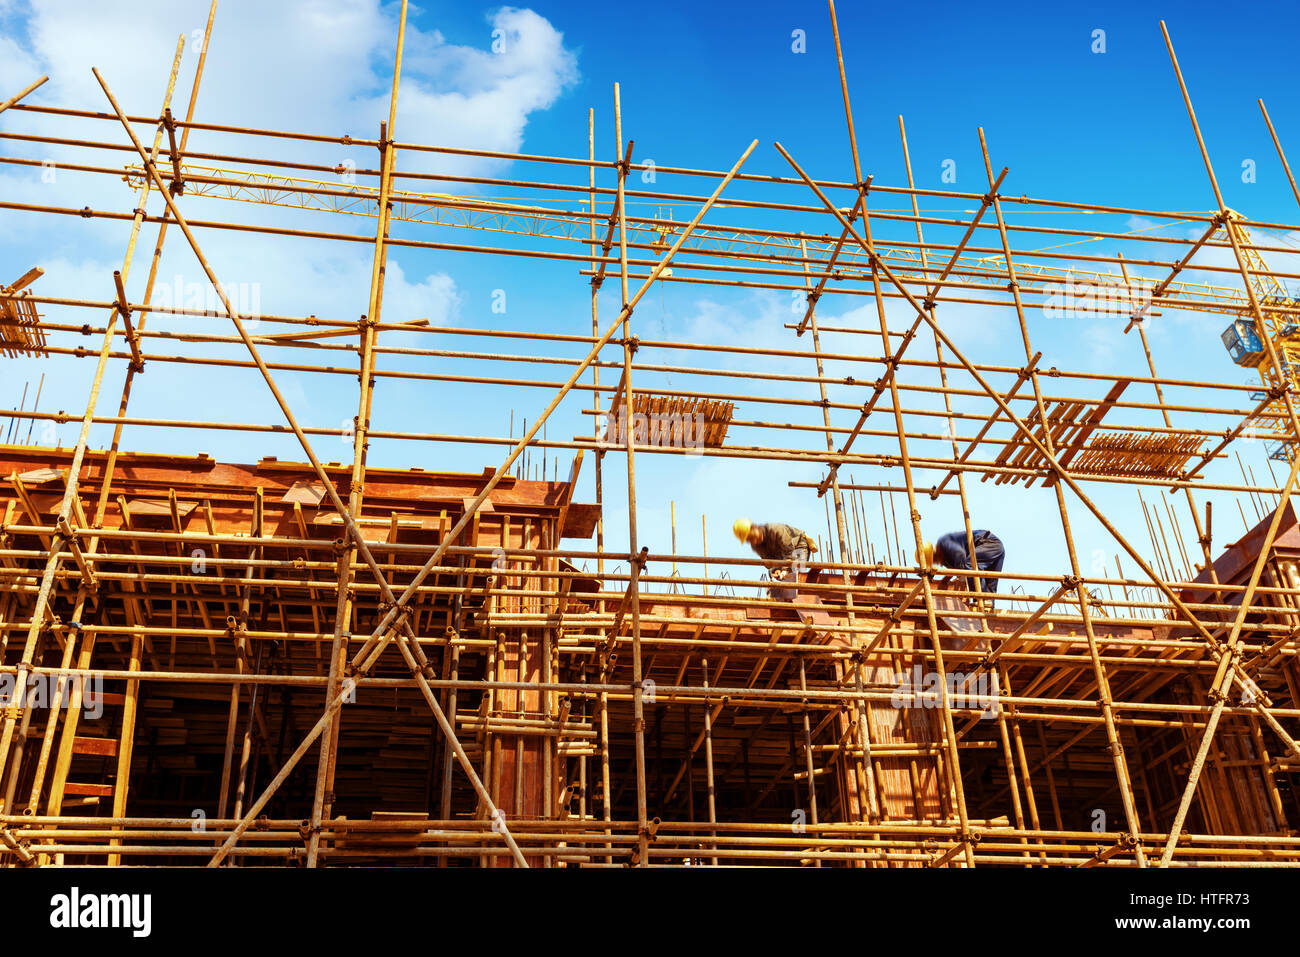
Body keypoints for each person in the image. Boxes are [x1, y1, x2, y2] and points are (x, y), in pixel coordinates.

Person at [733, 518, 818, 599]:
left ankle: (802, 596)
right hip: (783, 557)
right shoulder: (756, 546)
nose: (753, 541)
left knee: (796, 574)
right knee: (785, 577)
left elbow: (789, 550)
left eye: (752, 537)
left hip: (797, 547)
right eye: (749, 540)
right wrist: (775, 570)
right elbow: (769, 562)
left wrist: (785, 570)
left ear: (755, 527)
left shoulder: (776, 530)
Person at [928, 529, 1005, 594]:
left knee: (969, 567)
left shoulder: (943, 543)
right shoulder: (947, 559)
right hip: (997, 548)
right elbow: (957, 568)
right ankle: (986, 605)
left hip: (988, 543)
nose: (938, 563)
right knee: (990, 585)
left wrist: (958, 575)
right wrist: (947, 578)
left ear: (936, 552)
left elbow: (960, 555)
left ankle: (982, 598)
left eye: (935, 560)